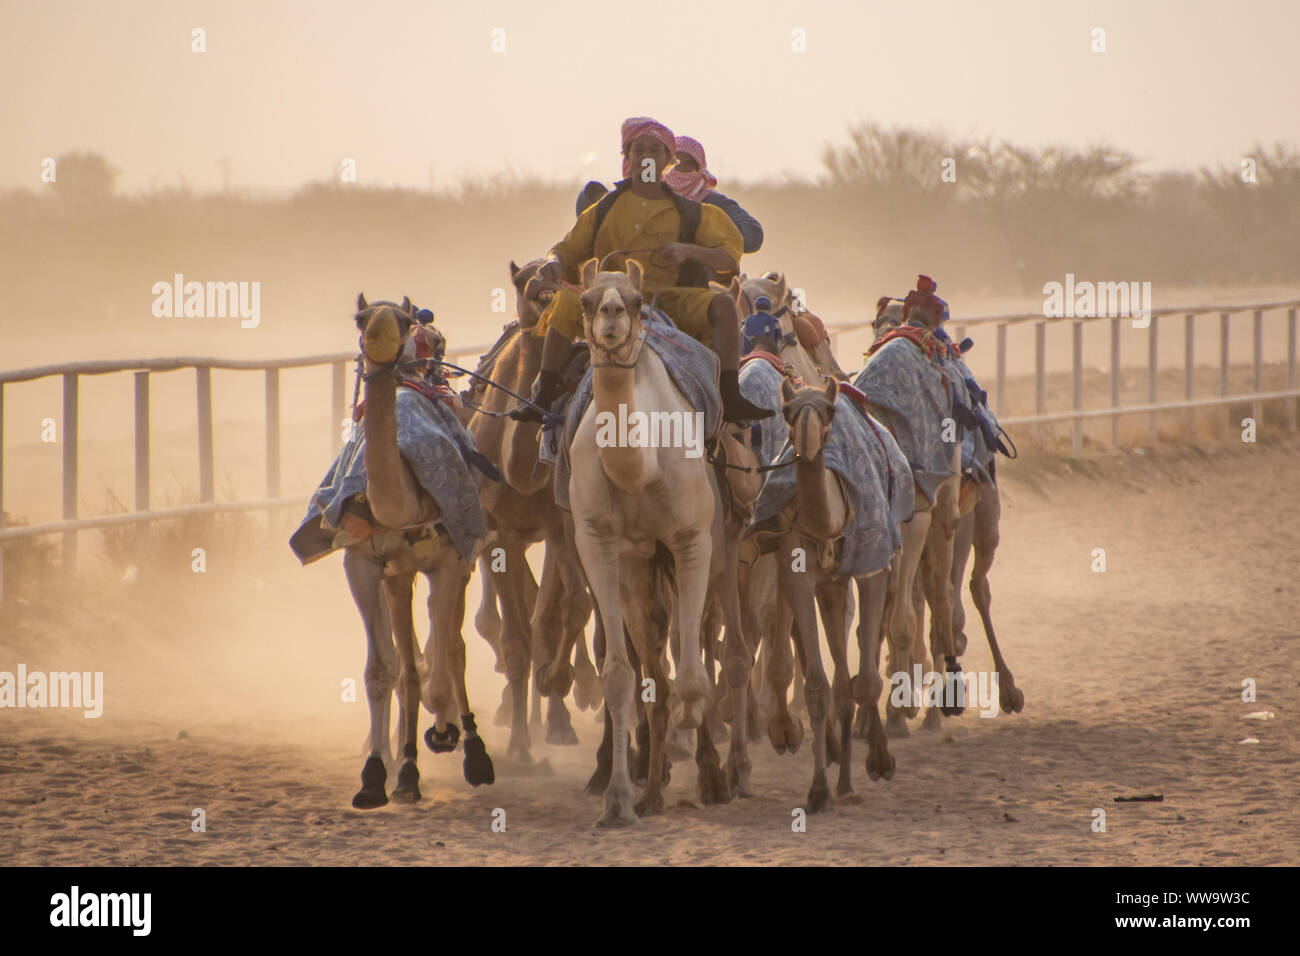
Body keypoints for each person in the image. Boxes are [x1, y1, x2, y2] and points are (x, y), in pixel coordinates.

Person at [514, 117, 771, 424]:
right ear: (627, 157)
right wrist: (554, 264)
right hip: (608, 296)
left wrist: (688, 251)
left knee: (724, 304)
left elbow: (729, 256)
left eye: (655, 150)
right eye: (638, 149)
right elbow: (567, 249)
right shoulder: (604, 209)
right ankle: (543, 395)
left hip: (671, 298)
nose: (646, 156)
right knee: (567, 302)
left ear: (667, 161)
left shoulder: (694, 212)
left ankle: (730, 397)